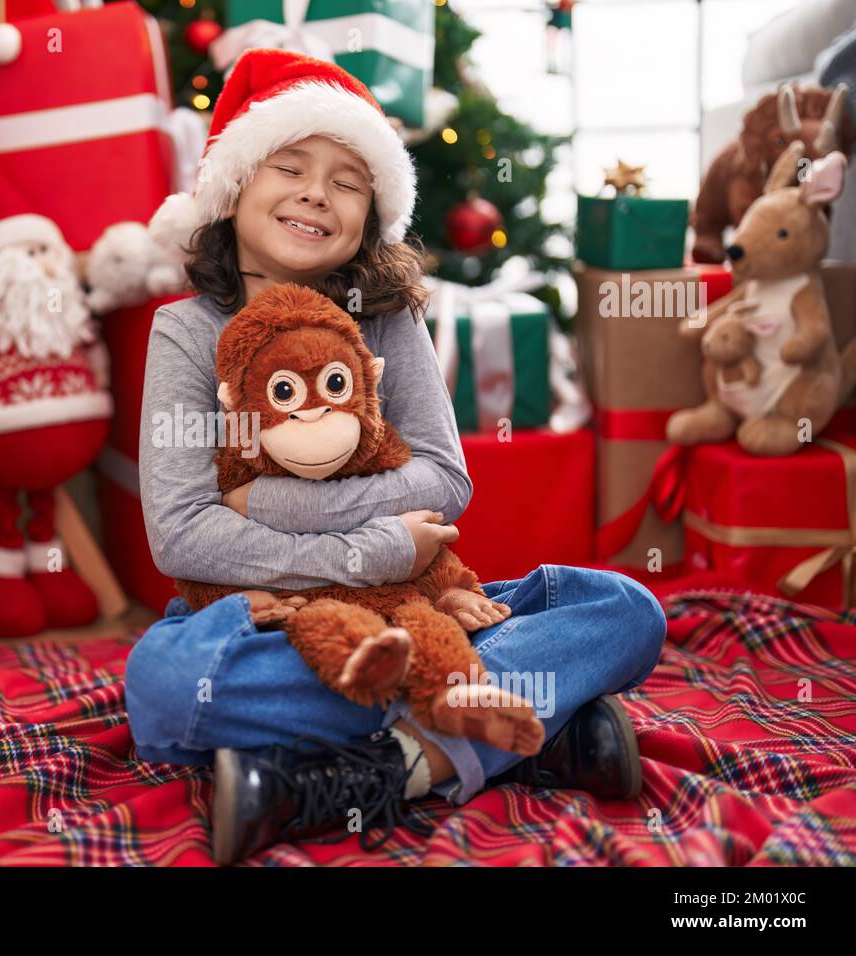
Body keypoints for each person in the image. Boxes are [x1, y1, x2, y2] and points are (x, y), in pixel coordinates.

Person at [124, 48, 667, 865]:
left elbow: (445, 482)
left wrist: (267, 507)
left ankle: (382, 766)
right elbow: (183, 537)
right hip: (265, 619)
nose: (316, 191)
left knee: (627, 610)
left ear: (372, 209)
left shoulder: (388, 319)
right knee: (164, 684)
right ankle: (532, 731)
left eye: (347, 179)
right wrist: (368, 548)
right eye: (290, 164)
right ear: (234, 185)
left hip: (414, 609)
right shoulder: (185, 333)